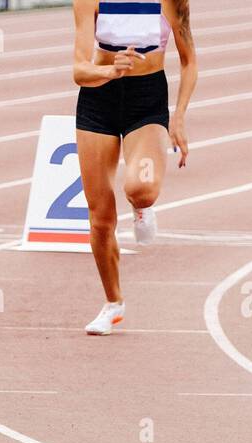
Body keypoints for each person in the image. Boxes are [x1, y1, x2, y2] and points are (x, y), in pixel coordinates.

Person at [72, 0, 196, 335]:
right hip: (99, 99)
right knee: (100, 218)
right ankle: (113, 304)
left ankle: (142, 208)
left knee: (140, 189)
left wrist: (179, 117)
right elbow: (79, 70)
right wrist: (110, 70)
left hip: (147, 100)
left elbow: (189, 62)